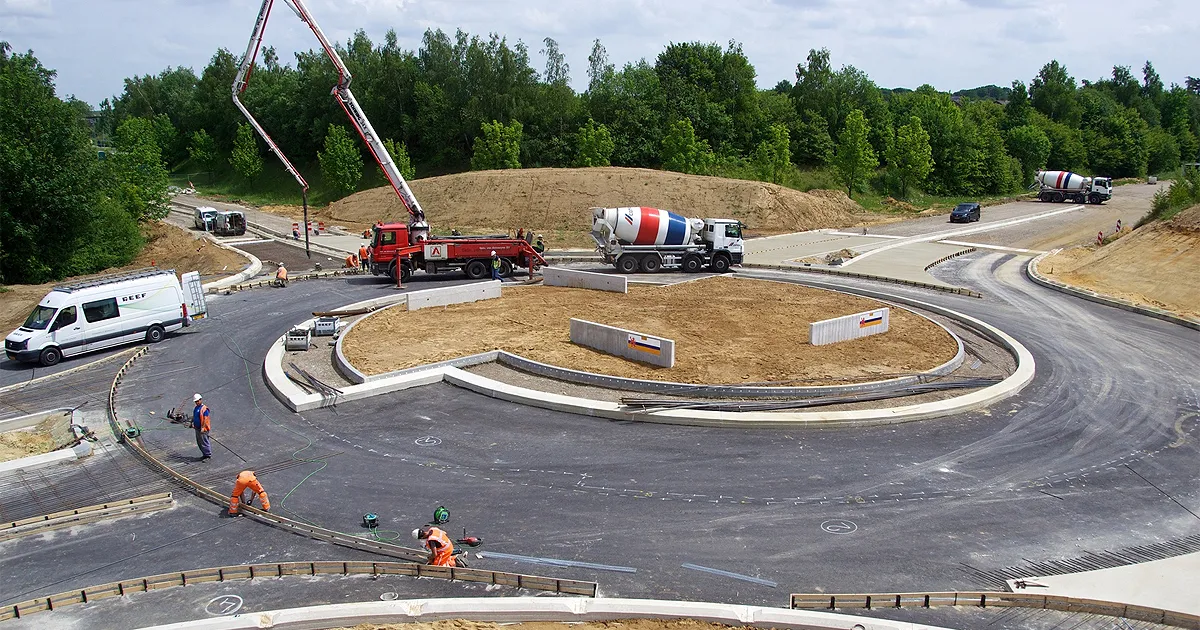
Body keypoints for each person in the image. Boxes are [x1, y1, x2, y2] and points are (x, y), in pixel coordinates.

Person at [192, 394, 211, 460]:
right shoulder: (196, 408)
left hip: (203, 429)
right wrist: (192, 423)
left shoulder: (204, 409)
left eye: (198, 401)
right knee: (199, 442)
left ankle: (207, 455)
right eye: (196, 401)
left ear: (200, 400)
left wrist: (203, 427)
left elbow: (205, 419)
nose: (197, 402)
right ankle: (204, 454)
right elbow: (194, 416)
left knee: (204, 442)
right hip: (197, 428)